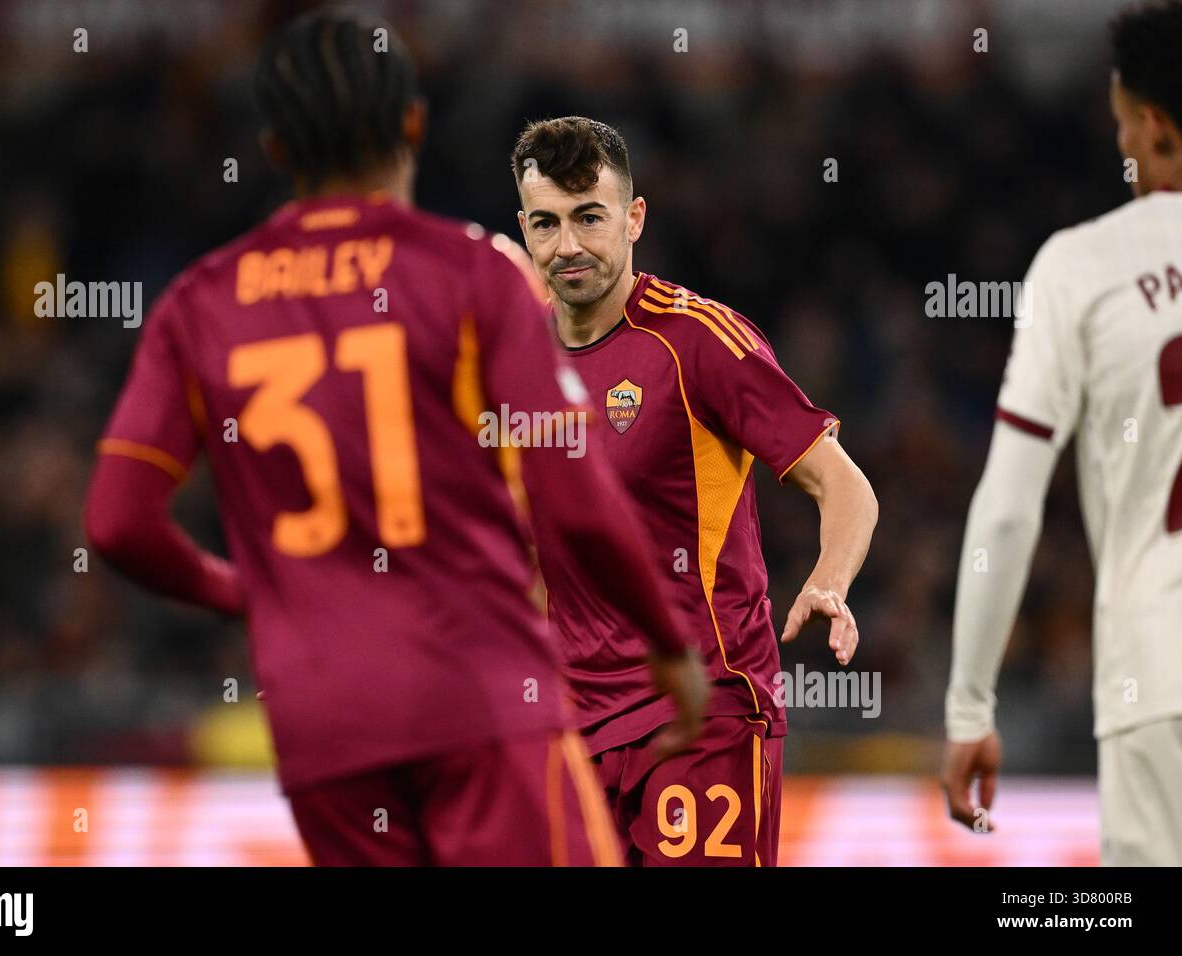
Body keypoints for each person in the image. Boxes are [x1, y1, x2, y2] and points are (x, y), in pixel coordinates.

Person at [84, 6, 707, 867]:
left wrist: (241, 591)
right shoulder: (475, 272)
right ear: (413, 124)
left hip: (320, 717)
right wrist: (668, 644)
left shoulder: (202, 302)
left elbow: (116, 523)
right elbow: (579, 496)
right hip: (477, 695)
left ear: (273, 149)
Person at [509, 116, 878, 866]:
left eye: (589, 217)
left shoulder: (700, 341)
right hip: (564, 725)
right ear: (522, 228)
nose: (568, 246)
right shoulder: (505, 359)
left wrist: (830, 582)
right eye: (545, 224)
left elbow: (844, 485)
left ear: (634, 218)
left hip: (705, 713)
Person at [943, 0, 1182, 866]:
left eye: (1124, 128)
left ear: (1155, 127)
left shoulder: (1081, 266)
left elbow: (1008, 507)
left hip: (1160, 672)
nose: (1121, 148)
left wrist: (970, 707)